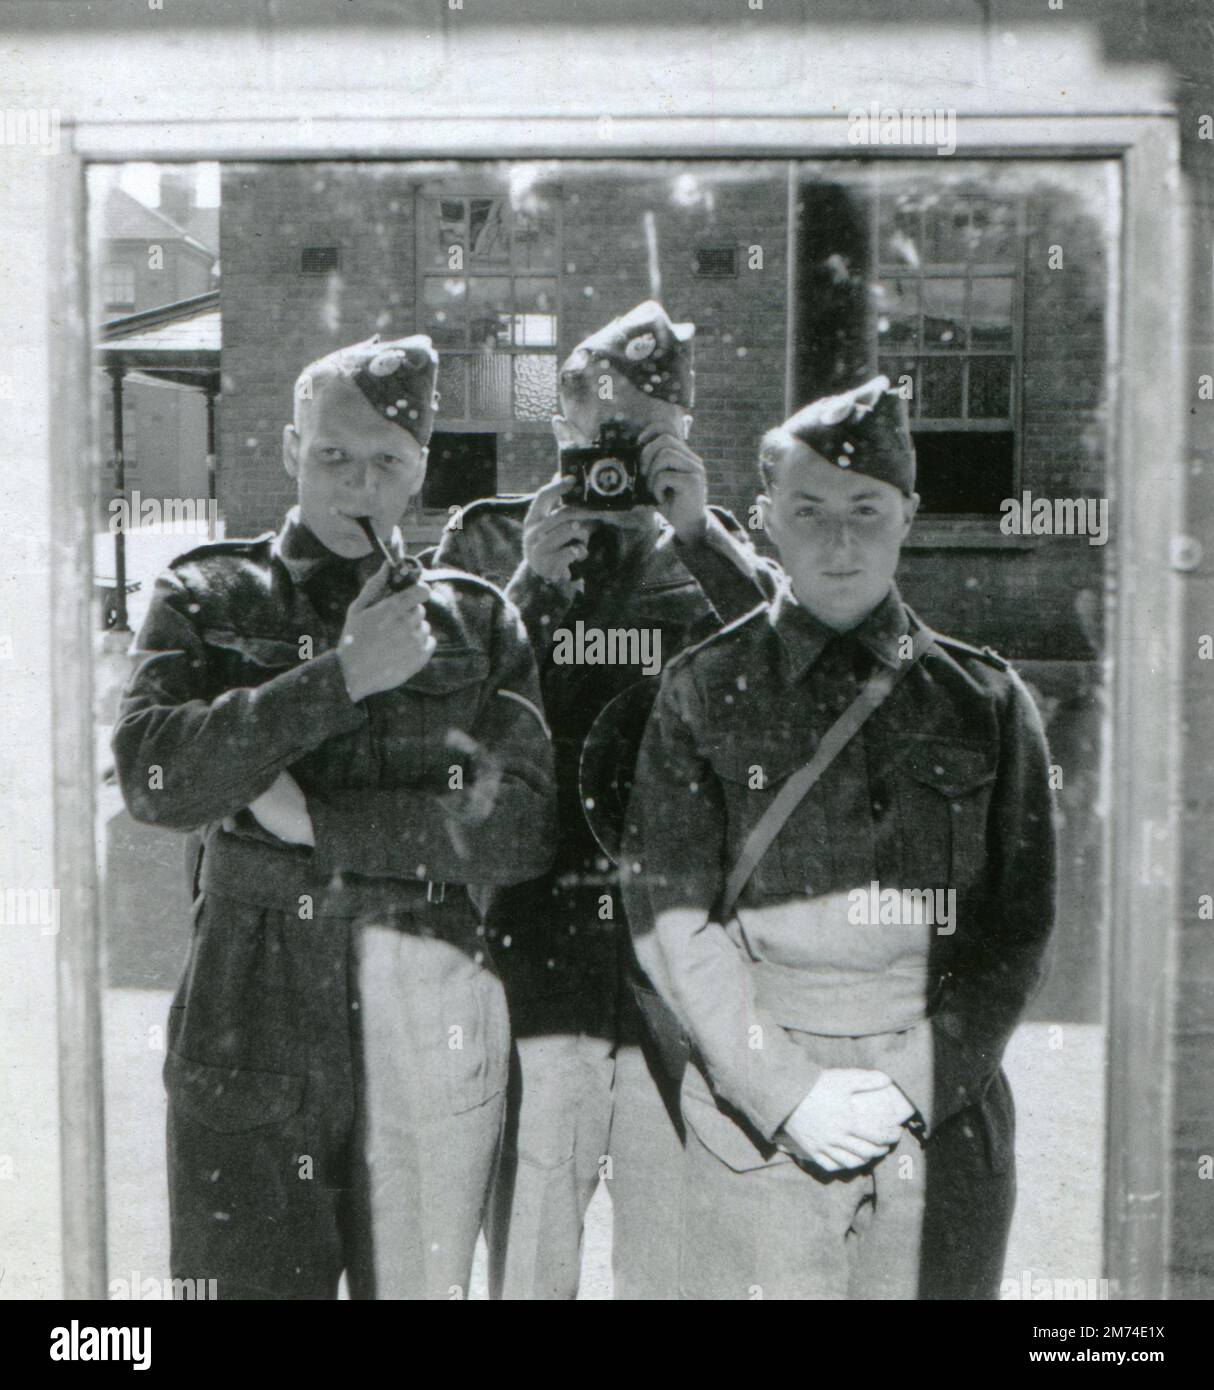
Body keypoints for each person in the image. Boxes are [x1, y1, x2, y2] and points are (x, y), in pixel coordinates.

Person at [112, 333, 555, 1300]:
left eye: (387, 461)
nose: (359, 484)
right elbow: (151, 777)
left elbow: (521, 825)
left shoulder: (476, 621)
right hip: (251, 1006)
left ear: (422, 470)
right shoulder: (207, 592)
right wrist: (340, 677)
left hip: (426, 997)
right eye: (333, 457)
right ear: (287, 450)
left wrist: (320, 826)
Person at [621, 375, 1057, 1299]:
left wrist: (908, 1082)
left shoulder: (985, 702)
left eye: (868, 508)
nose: (841, 538)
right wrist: (787, 1093)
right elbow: (670, 919)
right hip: (759, 1122)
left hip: (937, 1117)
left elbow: (1017, 930)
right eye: (809, 509)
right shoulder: (702, 690)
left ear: (911, 516)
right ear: (765, 519)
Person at [433, 300, 780, 1298]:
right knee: (532, 1241)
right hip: (537, 946)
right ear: (561, 421)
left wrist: (698, 531)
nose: (611, 460)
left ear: (680, 434)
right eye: (598, 433)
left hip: (675, 959)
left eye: (640, 436)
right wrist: (527, 587)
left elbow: (796, 688)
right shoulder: (499, 533)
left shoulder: (711, 551)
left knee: (666, 1253)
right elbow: (445, 724)